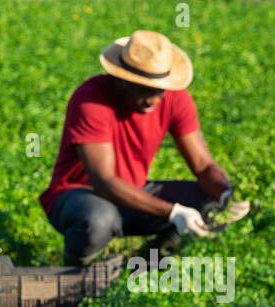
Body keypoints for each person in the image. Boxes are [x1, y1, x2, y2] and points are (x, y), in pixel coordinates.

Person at [39, 30, 245, 266]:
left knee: (208, 205)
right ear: (121, 79)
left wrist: (224, 193)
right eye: (142, 90)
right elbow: (103, 181)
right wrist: (172, 211)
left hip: (133, 193)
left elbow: (203, 164)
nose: (152, 100)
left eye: (158, 91)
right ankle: (75, 275)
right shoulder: (91, 100)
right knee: (99, 219)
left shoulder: (175, 100)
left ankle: (145, 263)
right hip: (79, 196)